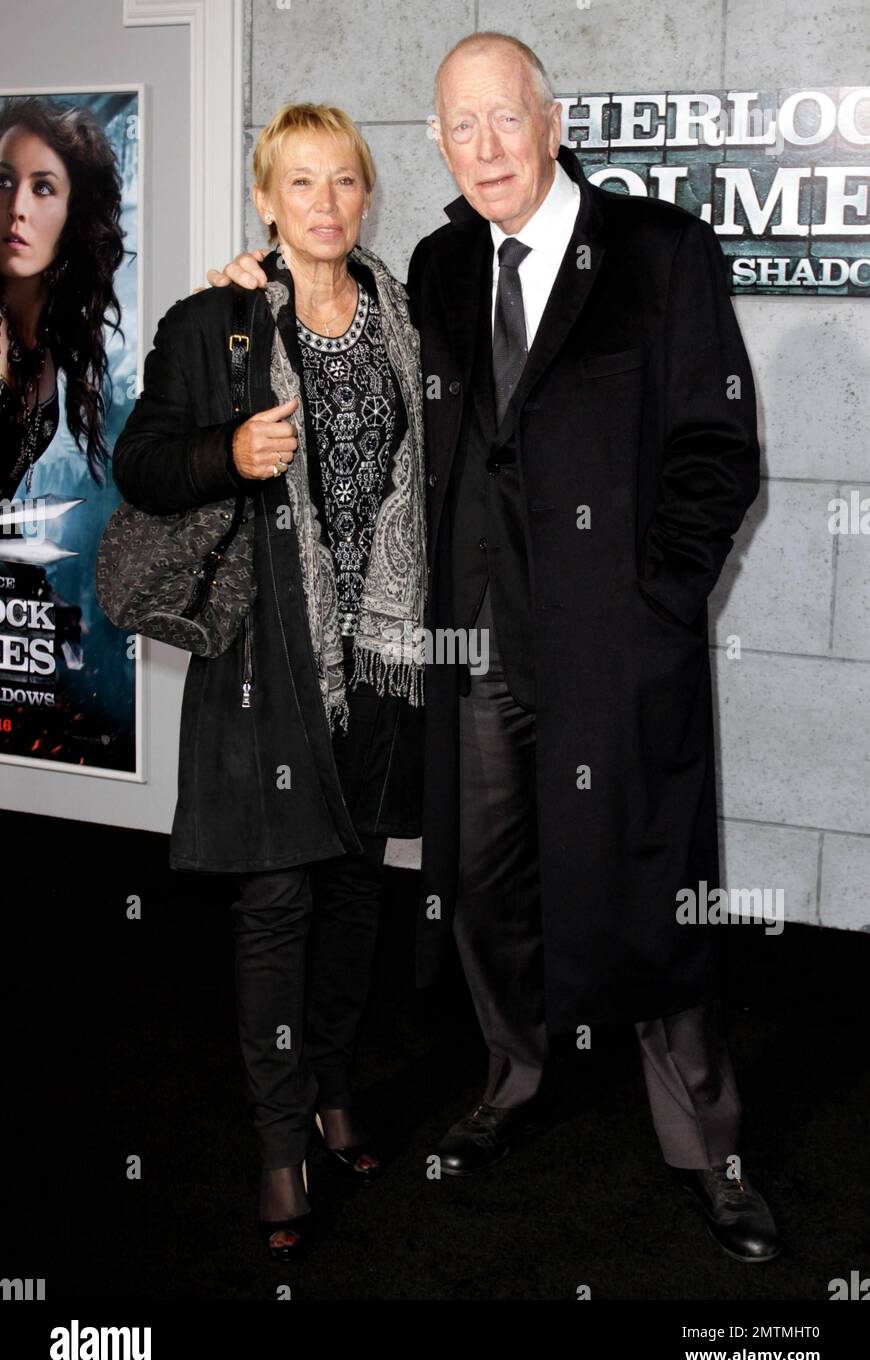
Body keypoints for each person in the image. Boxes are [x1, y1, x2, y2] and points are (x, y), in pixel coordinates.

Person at [209, 34, 780, 1266]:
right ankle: (512, 1082)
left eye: (502, 119)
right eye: (458, 128)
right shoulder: (436, 260)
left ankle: (707, 1148)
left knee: (653, 893)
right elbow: (346, 353)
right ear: (439, 145)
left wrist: (659, 606)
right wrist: (247, 299)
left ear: (550, 117)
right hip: (475, 657)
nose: (484, 148)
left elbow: (716, 451)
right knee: (485, 893)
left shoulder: (659, 253)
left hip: (617, 659)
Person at [114, 102, 426, 1260]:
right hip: (267, 658)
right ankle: (278, 1138)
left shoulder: (405, 313)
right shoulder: (219, 323)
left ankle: (337, 1087)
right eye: (302, 183)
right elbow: (140, 463)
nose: (327, 203)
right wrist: (224, 454)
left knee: (356, 889)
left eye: (344, 180)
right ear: (266, 199)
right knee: (276, 901)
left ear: (365, 193)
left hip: (383, 654)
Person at [0, 95, 123, 494]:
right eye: (3, 181)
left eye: (42, 188)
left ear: (75, 216)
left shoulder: (54, 338)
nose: (17, 206)